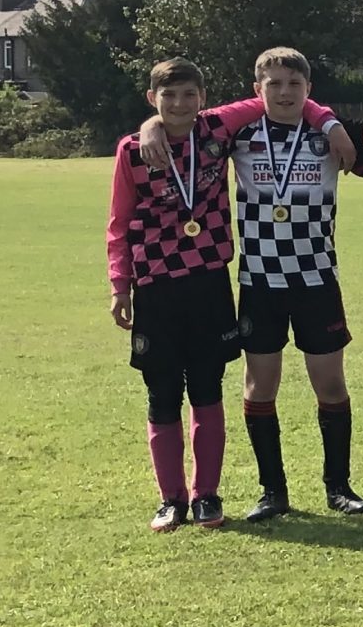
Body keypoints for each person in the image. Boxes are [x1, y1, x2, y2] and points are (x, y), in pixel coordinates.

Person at [141, 47, 363, 520]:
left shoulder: (328, 133)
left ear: (309, 90)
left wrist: (331, 122)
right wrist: (151, 125)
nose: (284, 93)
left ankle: (339, 487)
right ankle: (272, 492)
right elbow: (184, 119)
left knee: (330, 384)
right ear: (256, 89)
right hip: (260, 280)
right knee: (260, 387)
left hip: (317, 277)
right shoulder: (235, 135)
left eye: (295, 85)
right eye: (274, 84)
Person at [108, 58, 273, 530]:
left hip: (208, 281)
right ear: (152, 99)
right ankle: (170, 499)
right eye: (168, 97)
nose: (178, 104)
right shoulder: (132, 150)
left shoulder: (217, 129)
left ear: (202, 98)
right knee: (162, 394)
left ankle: (206, 495)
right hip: (156, 287)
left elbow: (275, 98)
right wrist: (120, 284)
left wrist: (327, 117)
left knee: (206, 389)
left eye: (188, 95)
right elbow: (119, 223)